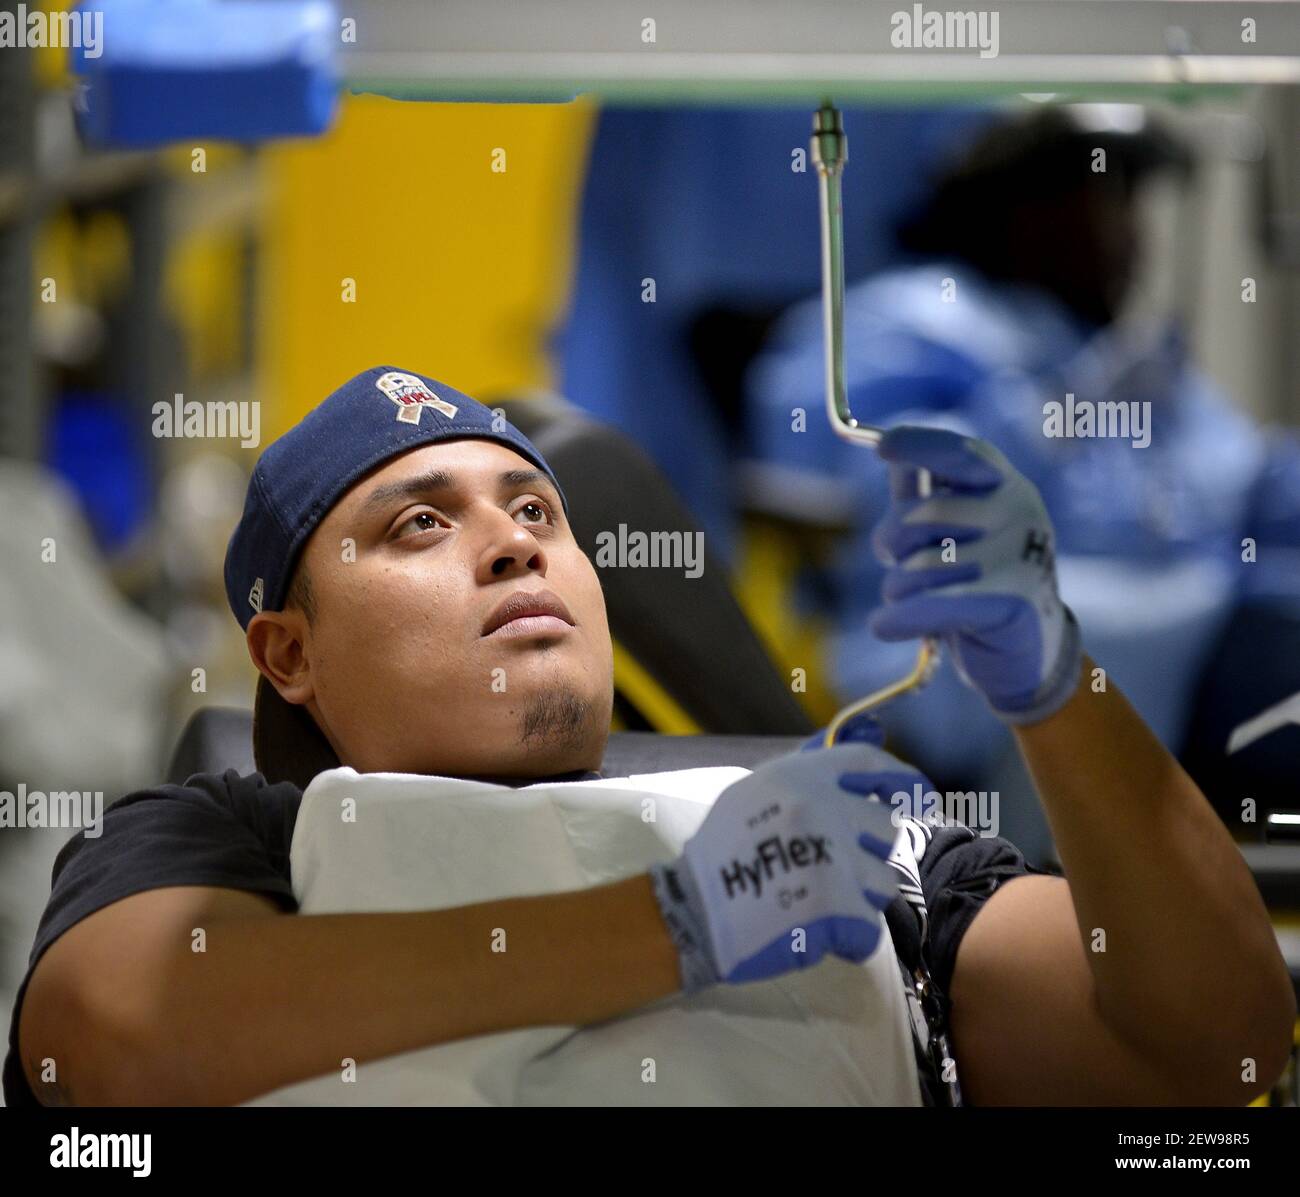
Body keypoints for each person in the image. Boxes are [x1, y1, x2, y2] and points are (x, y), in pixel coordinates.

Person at [5, 366, 1292, 1107]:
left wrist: (1059, 683)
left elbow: (1216, 1053)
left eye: (534, 511)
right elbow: (106, 1048)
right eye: (417, 525)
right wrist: (673, 928)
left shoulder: (851, 840)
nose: (512, 540)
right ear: (287, 653)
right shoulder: (224, 845)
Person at [743, 105, 1300, 821]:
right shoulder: (903, 322)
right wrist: (1059, 410)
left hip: (1196, 632)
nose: (1133, 237)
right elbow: (919, 514)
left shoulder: (1130, 356)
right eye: (1104, 198)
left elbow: (1246, 480)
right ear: (1022, 210)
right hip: (971, 662)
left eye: (1132, 202)